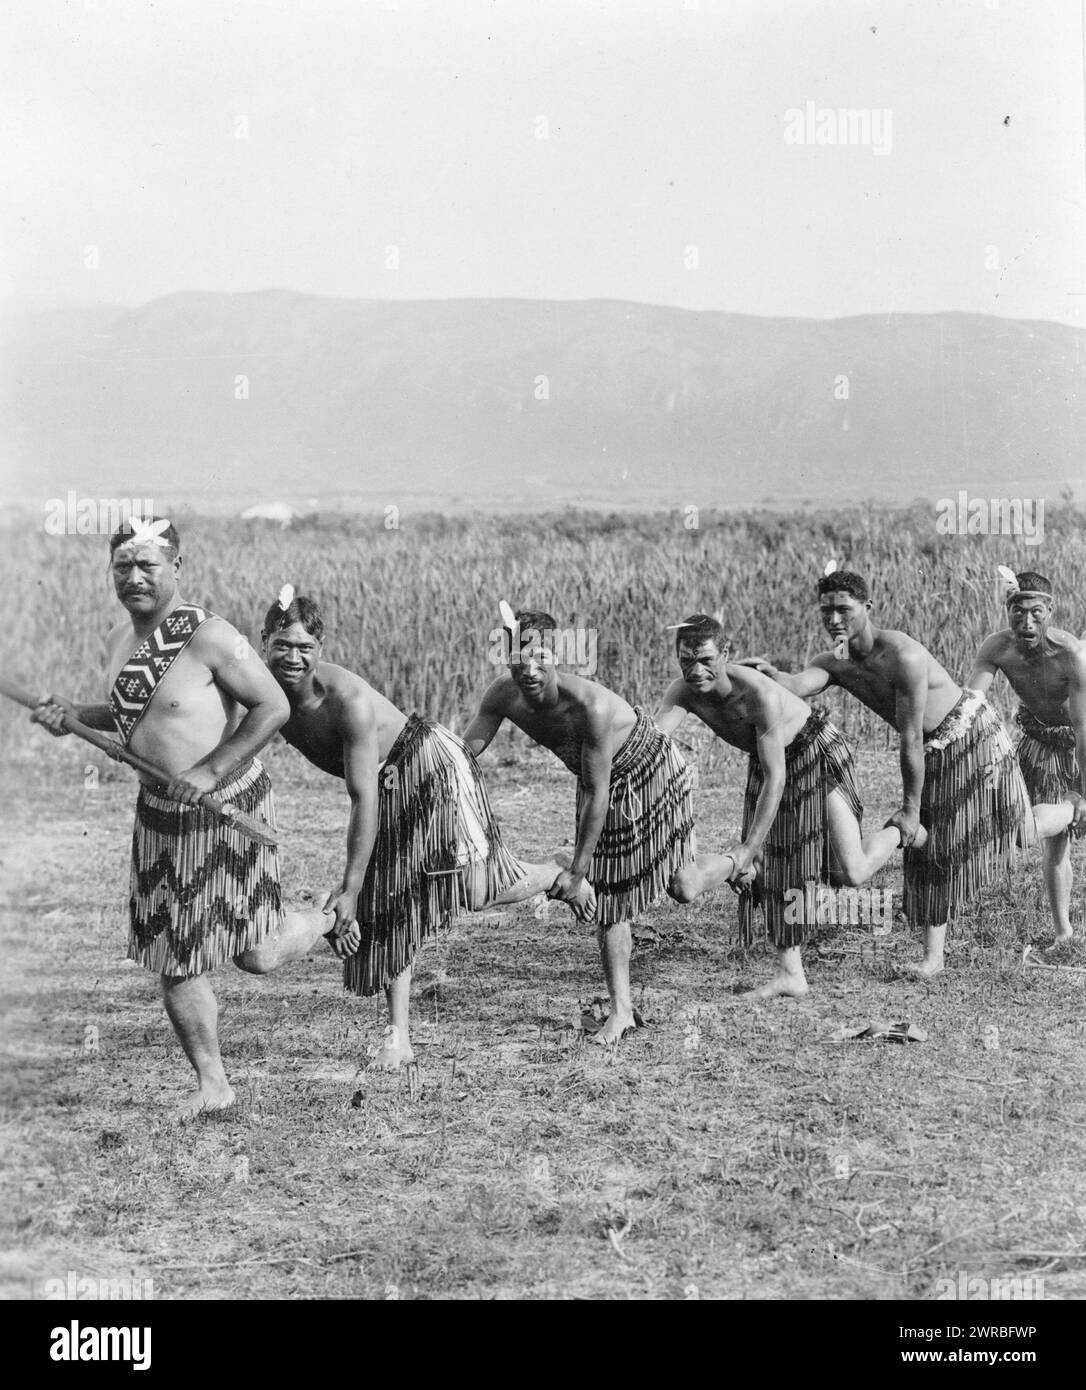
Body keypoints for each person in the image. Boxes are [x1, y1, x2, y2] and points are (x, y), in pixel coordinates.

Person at [32, 517, 332, 1116]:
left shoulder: (210, 636)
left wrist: (209, 769)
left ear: (177, 569)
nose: (135, 577)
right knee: (175, 960)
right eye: (124, 566)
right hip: (161, 816)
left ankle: (323, 919)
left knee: (258, 955)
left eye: (148, 565)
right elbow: (132, 720)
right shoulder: (120, 641)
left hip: (225, 807)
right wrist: (72, 714)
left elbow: (271, 705)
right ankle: (214, 1086)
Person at [262, 590, 569, 1070]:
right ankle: (398, 1038)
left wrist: (351, 887)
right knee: (393, 898)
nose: (293, 658)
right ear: (263, 643)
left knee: (475, 890)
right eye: (283, 645)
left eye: (304, 647)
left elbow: (364, 797)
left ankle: (552, 873)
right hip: (385, 780)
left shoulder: (347, 701)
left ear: (321, 647)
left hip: (428, 763)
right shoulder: (262, 691)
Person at [742, 569, 1065, 979]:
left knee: (1018, 832)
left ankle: (1070, 810)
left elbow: (910, 739)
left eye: (844, 609)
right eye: (827, 611)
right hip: (934, 748)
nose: (835, 620)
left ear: (868, 609)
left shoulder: (903, 655)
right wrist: (770, 676)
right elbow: (800, 683)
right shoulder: (834, 661)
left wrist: (910, 808)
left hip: (971, 736)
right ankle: (934, 959)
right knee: (932, 848)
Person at [463, 608, 696, 1043]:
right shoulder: (502, 695)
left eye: (540, 656)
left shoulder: (588, 706)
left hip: (651, 768)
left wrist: (578, 871)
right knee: (615, 896)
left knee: (683, 886)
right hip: (600, 781)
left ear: (558, 655)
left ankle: (742, 862)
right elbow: (463, 753)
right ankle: (621, 1011)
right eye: (518, 659)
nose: (529, 669)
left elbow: (596, 791)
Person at [657, 614, 919, 997]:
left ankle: (902, 831)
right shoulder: (682, 691)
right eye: (686, 661)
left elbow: (776, 778)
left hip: (813, 752)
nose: (695, 671)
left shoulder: (756, 694)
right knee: (772, 866)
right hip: (769, 762)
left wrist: (748, 848)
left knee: (853, 872)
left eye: (705, 660)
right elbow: (653, 738)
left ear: (726, 654)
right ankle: (791, 974)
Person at [967, 570, 1086, 948]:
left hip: (1075, 744)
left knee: (1053, 837)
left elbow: (1083, 729)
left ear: (1050, 610)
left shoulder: (1070, 654)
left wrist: (1082, 788)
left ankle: (1063, 929)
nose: (1026, 622)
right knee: (1042, 837)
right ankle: (1063, 930)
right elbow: (971, 706)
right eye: (1017, 612)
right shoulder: (997, 648)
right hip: (1035, 739)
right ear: (1007, 610)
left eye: (1036, 612)